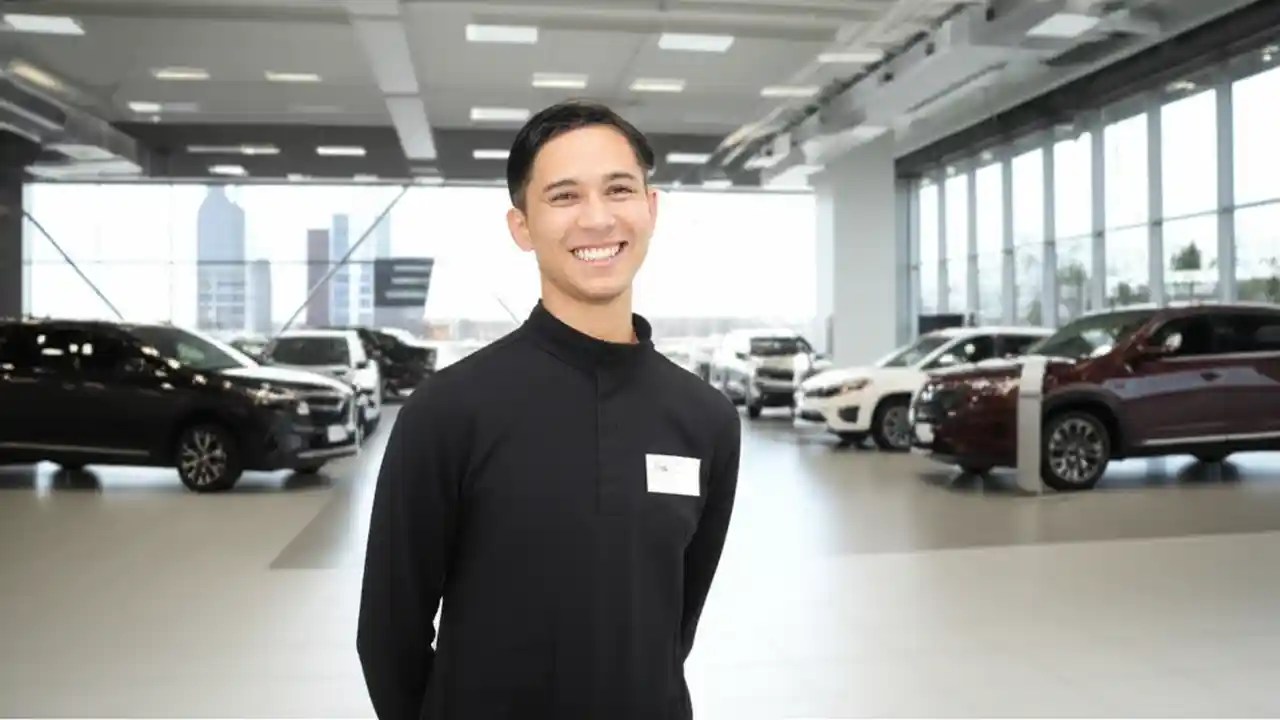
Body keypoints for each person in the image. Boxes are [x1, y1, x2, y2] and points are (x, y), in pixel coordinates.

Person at [356, 100, 742, 720]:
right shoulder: (448, 412)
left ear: (651, 207)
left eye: (618, 189)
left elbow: (674, 626)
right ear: (522, 225)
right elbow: (388, 637)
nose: (596, 218)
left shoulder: (706, 419)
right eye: (563, 197)